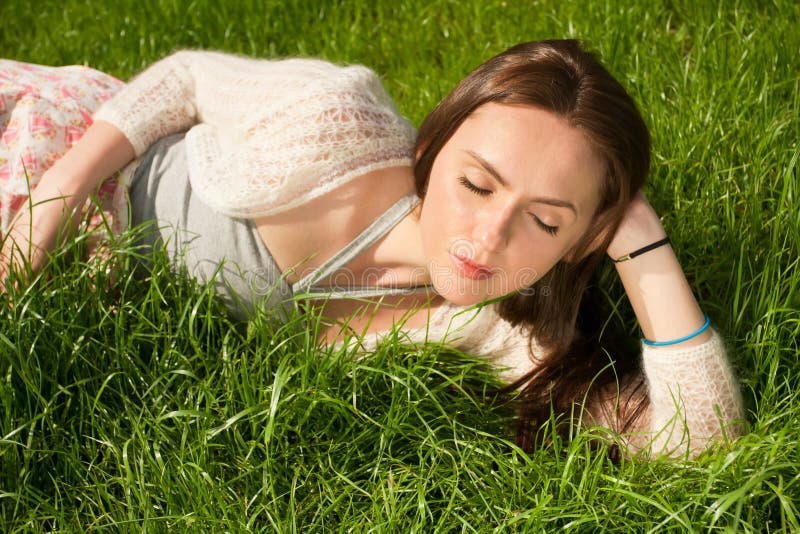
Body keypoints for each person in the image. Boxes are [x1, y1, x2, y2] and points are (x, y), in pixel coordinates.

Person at [0, 40, 742, 458]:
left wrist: (643, 242)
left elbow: (702, 443)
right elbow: (185, 77)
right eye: (477, 184)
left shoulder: (493, 324)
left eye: (545, 223)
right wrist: (53, 200)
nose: (487, 240)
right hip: (65, 157)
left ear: (584, 240)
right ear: (429, 147)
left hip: (98, 278)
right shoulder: (333, 117)